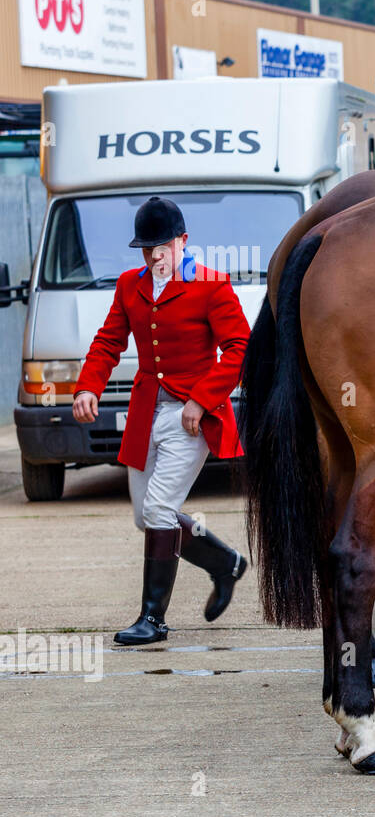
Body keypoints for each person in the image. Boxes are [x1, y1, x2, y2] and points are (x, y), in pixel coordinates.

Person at [72, 197, 250, 645]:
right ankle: (224, 562)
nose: (155, 256)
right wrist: (87, 386)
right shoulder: (130, 285)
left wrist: (202, 399)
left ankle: (153, 620)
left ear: (182, 242)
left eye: (163, 246)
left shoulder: (211, 285)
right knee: (146, 517)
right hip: (144, 414)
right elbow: (108, 341)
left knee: (158, 511)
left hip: (190, 419)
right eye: (147, 248)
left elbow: (240, 348)